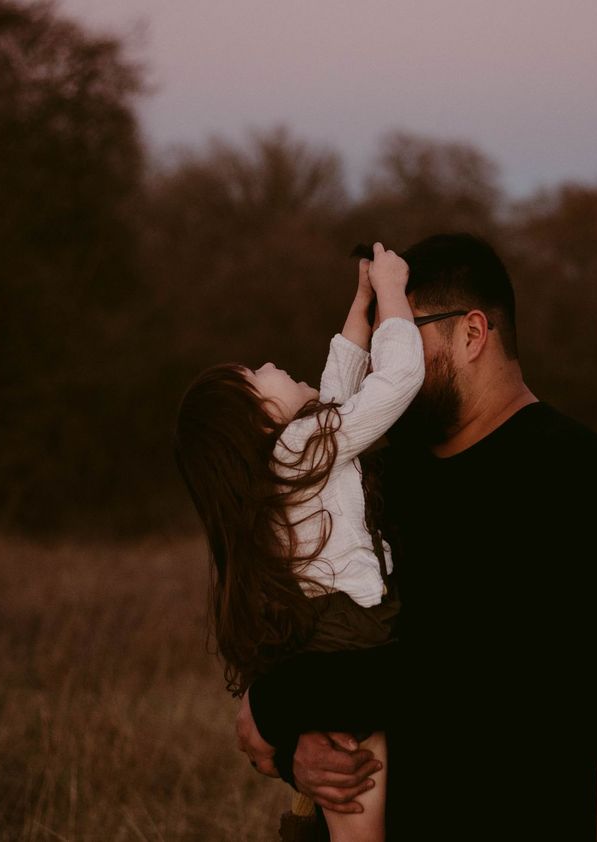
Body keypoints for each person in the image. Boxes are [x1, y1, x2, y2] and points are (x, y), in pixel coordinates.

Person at [236, 233, 597, 840]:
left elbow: (465, 667)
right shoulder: (382, 472)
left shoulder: (571, 472)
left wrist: (277, 704)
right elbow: (330, 631)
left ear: (472, 334)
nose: (380, 359)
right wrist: (302, 750)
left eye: (405, 326)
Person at [174, 244, 421, 842]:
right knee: (362, 789)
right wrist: (391, 292)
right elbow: (397, 381)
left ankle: (306, 827)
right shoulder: (299, 447)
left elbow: (339, 392)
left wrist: (358, 306)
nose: (269, 365)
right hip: (353, 633)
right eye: (257, 377)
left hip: (321, 633)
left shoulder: (292, 458)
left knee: (351, 794)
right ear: (261, 421)